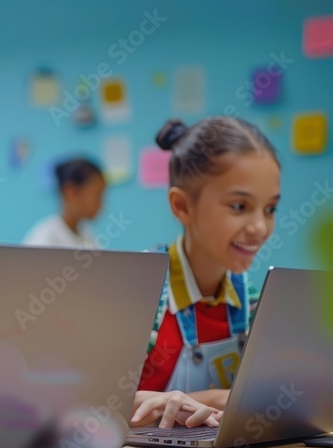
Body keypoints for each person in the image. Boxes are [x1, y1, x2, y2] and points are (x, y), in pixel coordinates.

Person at [139, 118, 281, 410]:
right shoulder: (138, 294)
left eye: (270, 209)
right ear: (182, 206)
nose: (259, 227)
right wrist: (213, 398)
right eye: (239, 206)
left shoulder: (249, 299)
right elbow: (96, 408)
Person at [23, 157, 105, 248]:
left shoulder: (88, 234)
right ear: (70, 192)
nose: (102, 203)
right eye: (98, 194)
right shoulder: (44, 239)